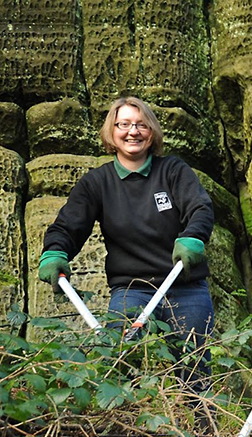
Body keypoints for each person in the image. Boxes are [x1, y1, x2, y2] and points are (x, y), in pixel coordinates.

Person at [38, 96, 215, 411]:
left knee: (194, 374)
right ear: (111, 132)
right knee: (120, 367)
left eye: (141, 124)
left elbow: (199, 207)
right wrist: (55, 252)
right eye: (124, 124)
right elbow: (68, 226)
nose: (133, 131)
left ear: (152, 132)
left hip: (185, 287)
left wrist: (192, 237)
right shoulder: (96, 183)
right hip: (131, 290)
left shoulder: (173, 171)